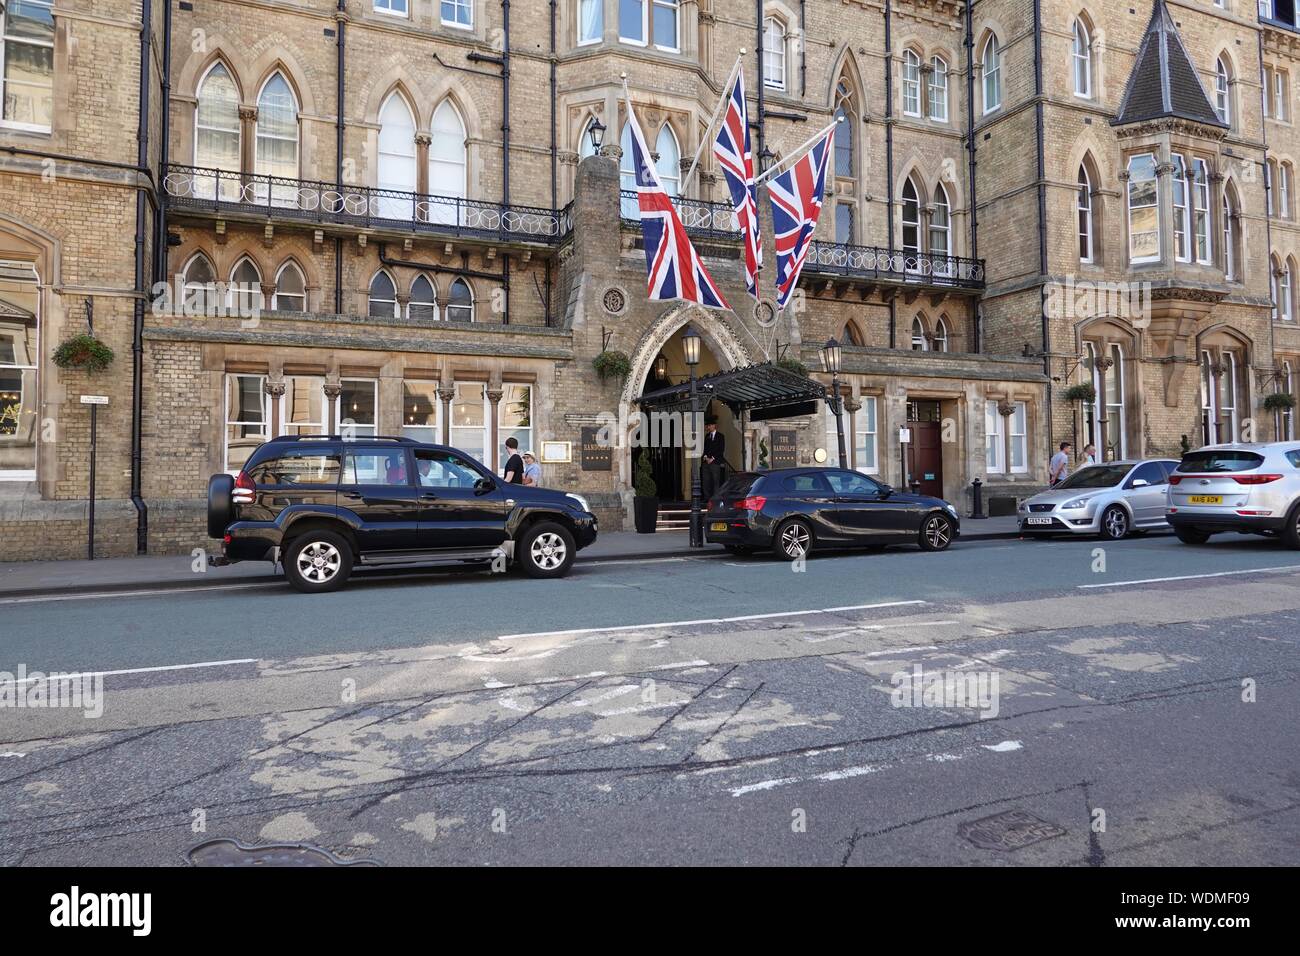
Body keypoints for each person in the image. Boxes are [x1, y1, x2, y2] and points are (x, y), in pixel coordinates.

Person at [701, 418, 725, 500]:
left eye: (710, 425)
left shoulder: (720, 436)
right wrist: (705, 457)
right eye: (708, 426)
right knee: (706, 481)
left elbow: (721, 450)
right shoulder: (707, 436)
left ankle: (715, 498)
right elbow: (705, 448)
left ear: (714, 426)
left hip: (715, 462)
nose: (708, 427)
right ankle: (706, 497)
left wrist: (712, 459)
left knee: (715, 481)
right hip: (706, 462)